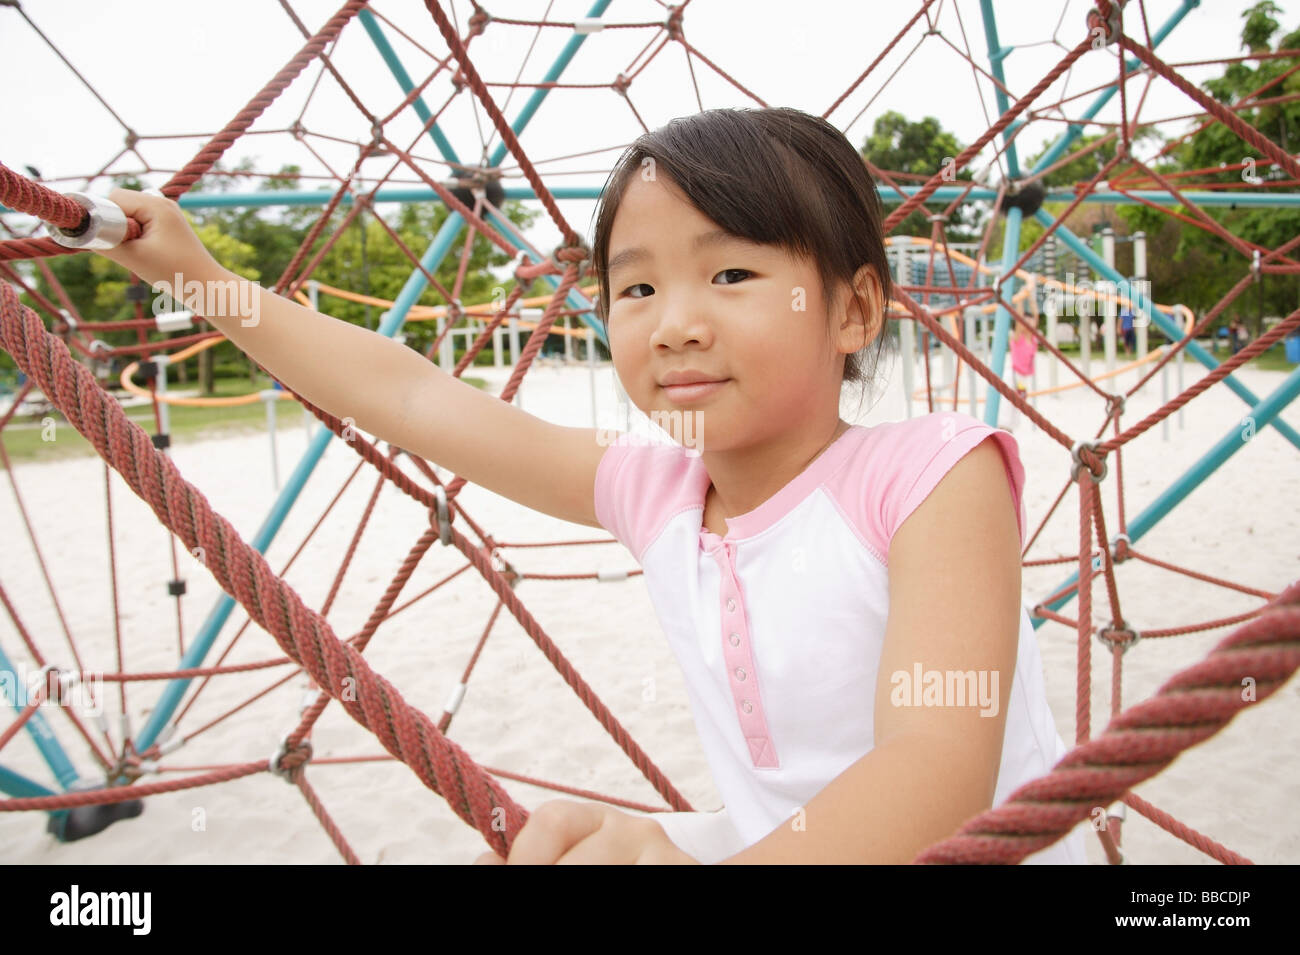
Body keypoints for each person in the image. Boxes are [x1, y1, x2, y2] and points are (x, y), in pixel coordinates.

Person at [91, 106, 1084, 866]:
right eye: (636, 286)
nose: (675, 323)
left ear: (854, 309)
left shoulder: (928, 476)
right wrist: (196, 273)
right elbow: (406, 392)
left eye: (731, 275)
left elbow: (936, 761)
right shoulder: (652, 493)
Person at [1007, 321, 1038, 432]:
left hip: (1023, 377)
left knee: (1021, 400)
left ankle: (1011, 426)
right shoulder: (1018, 339)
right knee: (1013, 400)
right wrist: (1020, 303)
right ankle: (1007, 426)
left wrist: (1031, 302)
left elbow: (1035, 318)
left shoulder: (1033, 339)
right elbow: (1019, 322)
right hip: (1015, 374)